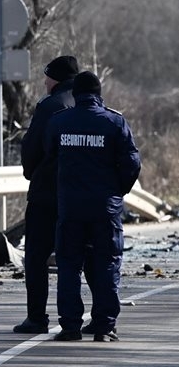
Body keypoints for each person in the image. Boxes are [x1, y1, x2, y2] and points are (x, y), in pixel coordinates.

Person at [45, 71, 141, 342]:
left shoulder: (60, 122)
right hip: (105, 209)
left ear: (74, 94)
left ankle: (71, 326)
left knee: (68, 266)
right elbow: (132, 163)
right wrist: (116, 191)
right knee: (107, 264)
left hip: (71, 209)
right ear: (99, 94)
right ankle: (104, 326)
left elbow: (49, 156)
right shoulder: (114, 122)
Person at [13, 55, 79, 334]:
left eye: (48, 76)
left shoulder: (49, 106)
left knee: (37, 257)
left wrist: (32, 173)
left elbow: (32, 148)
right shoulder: (89, 104)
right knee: (75, 258)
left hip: (46, 194)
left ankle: (37, 317)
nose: (44, 81)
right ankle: (87, 319)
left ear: (57, 78)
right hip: (78, 196)